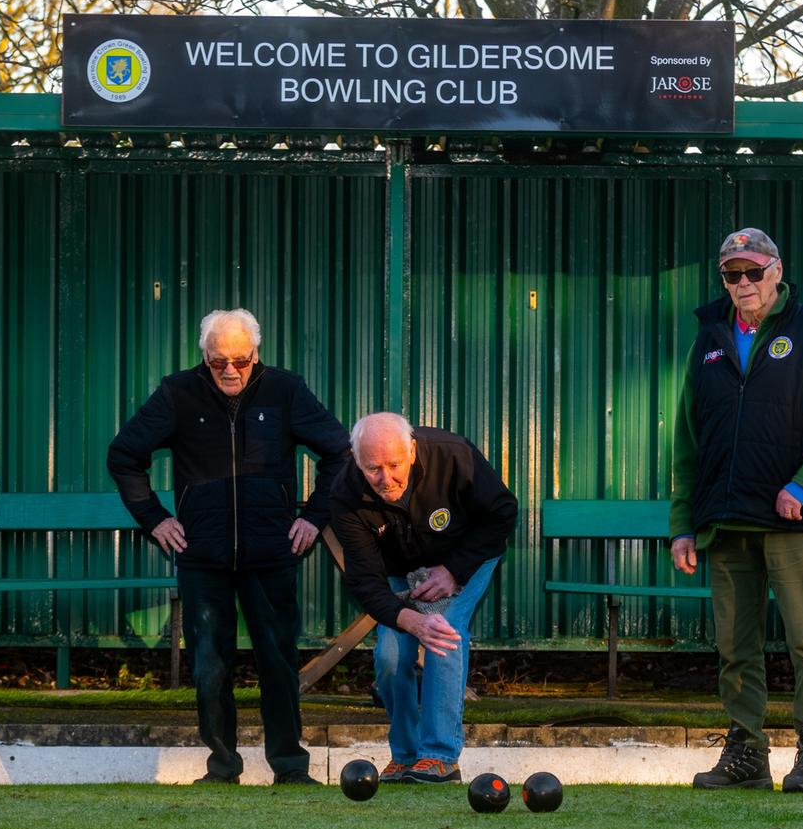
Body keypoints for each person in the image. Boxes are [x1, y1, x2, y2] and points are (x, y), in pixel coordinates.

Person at [108, 308, 350, 785]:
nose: (230, 371)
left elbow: (341, 451)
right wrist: (154, 519)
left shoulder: (286, 390)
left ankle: (290, 766)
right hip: (203, 556)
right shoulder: (178, 393)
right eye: (219, 361)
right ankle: (222, 767)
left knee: (277, 660)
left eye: (240, 360)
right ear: (205, 356)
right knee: (209, 666)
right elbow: (124, 455)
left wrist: (313, 517)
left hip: (271, 552)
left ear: (256, 353)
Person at [669, 227, 803, 793]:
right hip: (725, 517)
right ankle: (746, 753)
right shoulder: (708, 338)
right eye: (732, 274)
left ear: (777, 271)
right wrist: (683, 523)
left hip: (793, 519)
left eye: (753, 271)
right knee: (735, 646)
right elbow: (688, 441)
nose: (743, 283)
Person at [328, 412, 517, 783]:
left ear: (412, 451)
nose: (386, 479)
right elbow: (366, 582)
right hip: (400, 569)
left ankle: (440, 755)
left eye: (394, 465)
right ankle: (405, 754)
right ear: (355, 460)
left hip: (466, 557)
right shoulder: (344, 495)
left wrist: (454, 570)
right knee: (389, 656)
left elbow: (503, 512)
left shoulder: (453, 454)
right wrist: (411, 620)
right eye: (373, 468)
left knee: (443, 632)